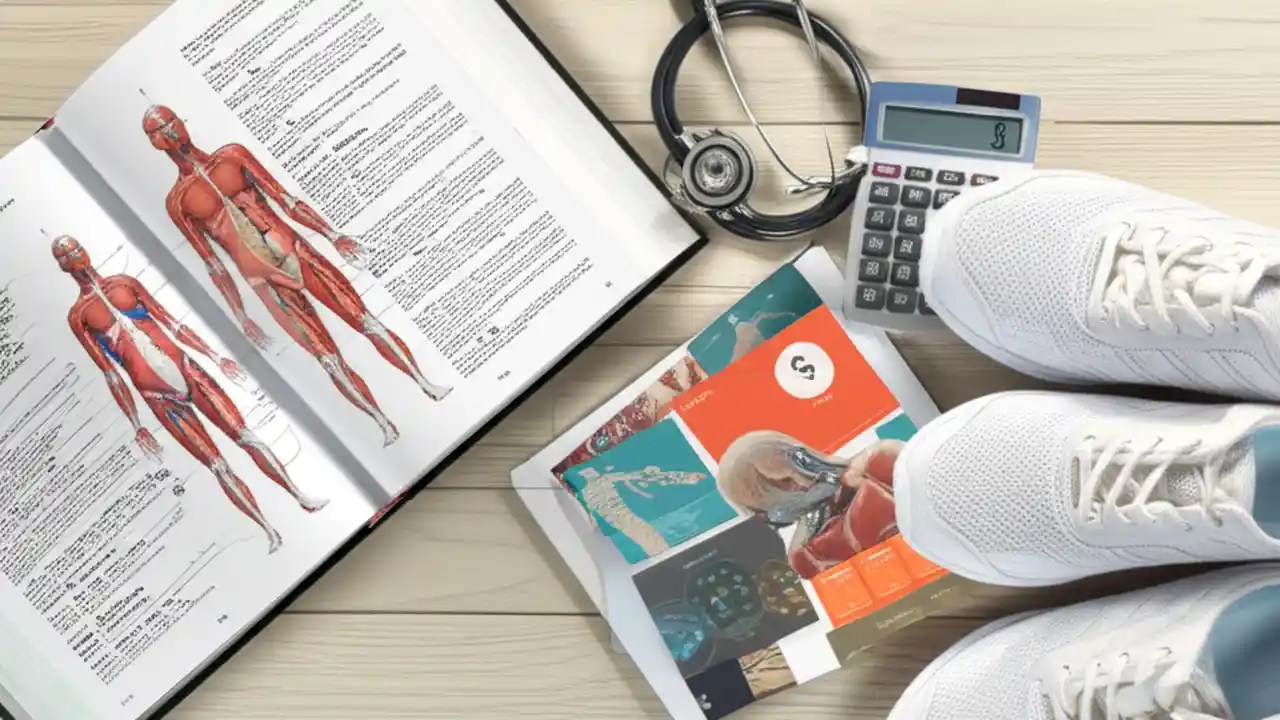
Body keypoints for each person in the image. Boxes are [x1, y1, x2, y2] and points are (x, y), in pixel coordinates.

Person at [142, 104, 451, 446]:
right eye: (159, 131)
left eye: (170, 123)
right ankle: (383, 424)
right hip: (265, 281)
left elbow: (284, 200)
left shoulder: (232, 155)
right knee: (328, 359)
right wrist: (240, 314)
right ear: (154, 144)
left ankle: (424, 383)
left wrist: (334, 236)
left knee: (364, 320)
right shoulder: (178, 202)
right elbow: (212, 263)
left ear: (181, 122)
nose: (169, 134)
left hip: (297, 251)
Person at [56, 235, 326, 553]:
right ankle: (268, 530)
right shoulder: (79, 316)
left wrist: (216, 357)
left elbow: (170, 322)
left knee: (245, 436)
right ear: (62, 267)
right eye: (65, 254)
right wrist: (136, 425)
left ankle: (299, 496)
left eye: (75, 248)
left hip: (188, 370)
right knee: (218, 465)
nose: (74, 256)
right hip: (157, 397)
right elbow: (110, 373)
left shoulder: (125, 283)